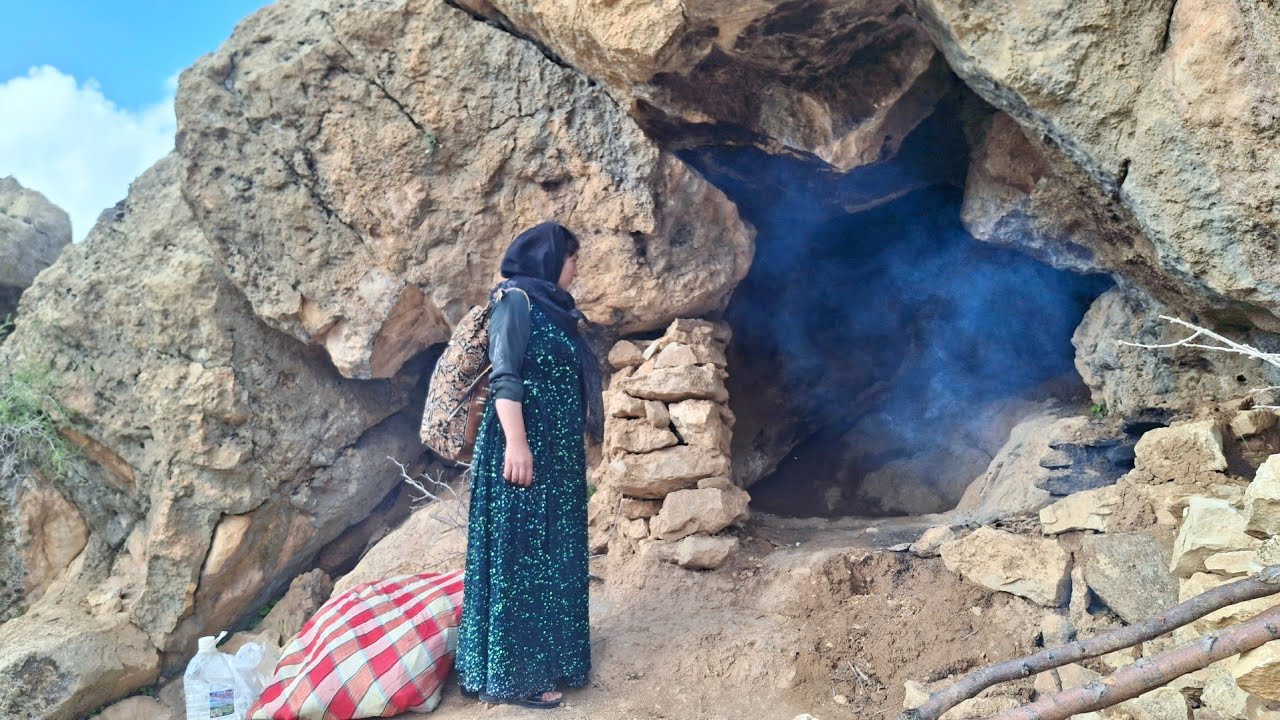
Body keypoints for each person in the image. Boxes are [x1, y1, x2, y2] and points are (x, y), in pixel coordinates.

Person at [456, 221, 605, 709]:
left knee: (553, 554)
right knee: (521, 558)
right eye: (572, 258)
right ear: (550, 260)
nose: (577, 267)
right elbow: (505, 376)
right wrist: (517, 445)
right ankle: (516, 676)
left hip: (556, 457)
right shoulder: (515, 302)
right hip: (524, 451)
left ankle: (553, 658)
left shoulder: (555, 310)